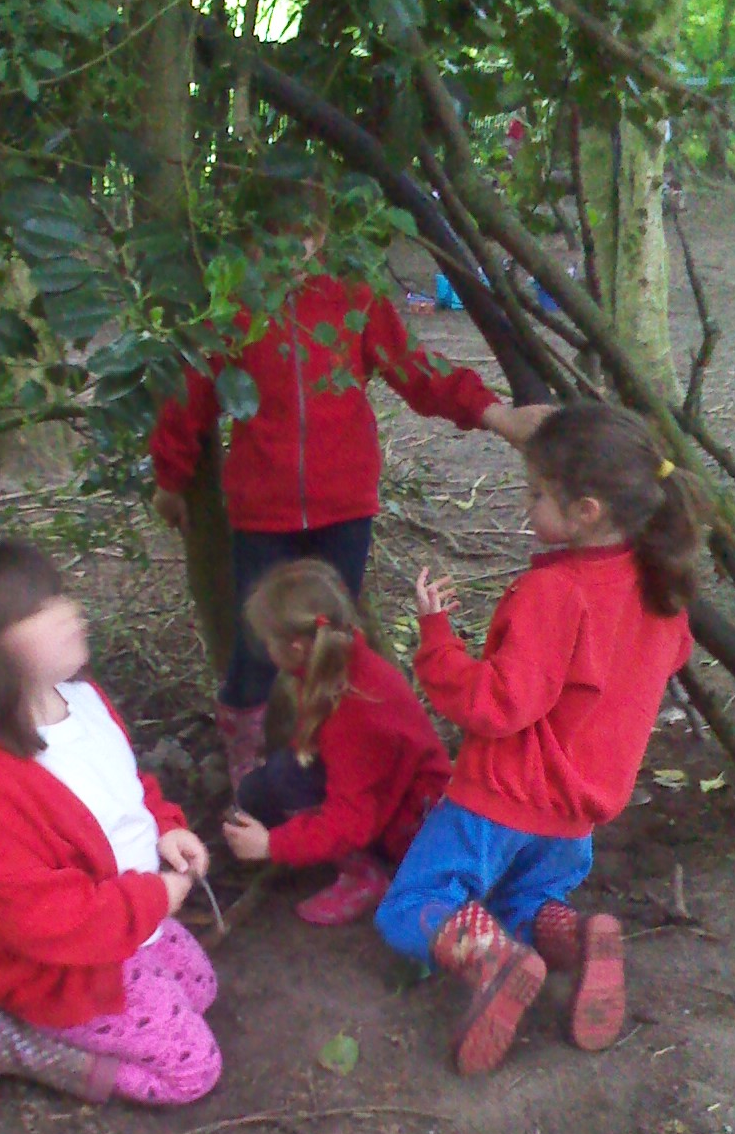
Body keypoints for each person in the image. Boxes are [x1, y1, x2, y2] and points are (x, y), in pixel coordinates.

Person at [149, 174, 549, 793]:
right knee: (261, 640)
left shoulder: (352, 297)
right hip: (263, 509)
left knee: (336, 641)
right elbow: (191, 395)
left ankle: (337, 760)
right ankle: (251, 760)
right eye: (273, 241)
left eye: (303, 237)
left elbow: (415, 370)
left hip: (343, 504)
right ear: (250, 244)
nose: (290, 254)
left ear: (323, 236)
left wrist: (497, 416)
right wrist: (171, 478)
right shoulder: (230, 311)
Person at [375, 403, 705, 1076]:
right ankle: (577, 942)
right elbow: (666, 657)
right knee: (529, 901)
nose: (526, 506)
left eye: (536, 495)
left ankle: (493, 963)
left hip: (498, 799)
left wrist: (436, 644)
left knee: (411, 906)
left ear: (585, 510)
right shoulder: (657, 583)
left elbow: (497, 705)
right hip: (579, 811)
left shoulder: (553, 591)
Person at [0, 540, 222, 1126]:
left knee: (201, 988)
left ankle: (75, 1017)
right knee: (193, 1070)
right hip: (62, 966)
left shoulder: (83, 700)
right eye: (40, 608)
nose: (70, 611)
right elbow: (46, 917)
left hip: (122, 926)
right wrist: (154, 899)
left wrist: (164, 831)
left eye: (60, 595)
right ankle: (20, 1039)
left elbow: (127, 788)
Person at [221, 559, 451, 925]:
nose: (266, 650)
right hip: (386, 798)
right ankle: (329, 850)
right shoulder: (336, 662)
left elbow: (352, 820)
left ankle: (365, 874)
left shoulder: (358, 709)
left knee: (281, 784)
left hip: (414, 827)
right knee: (263, 788)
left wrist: (272, 846)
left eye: (268, 642)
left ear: (296, 646)